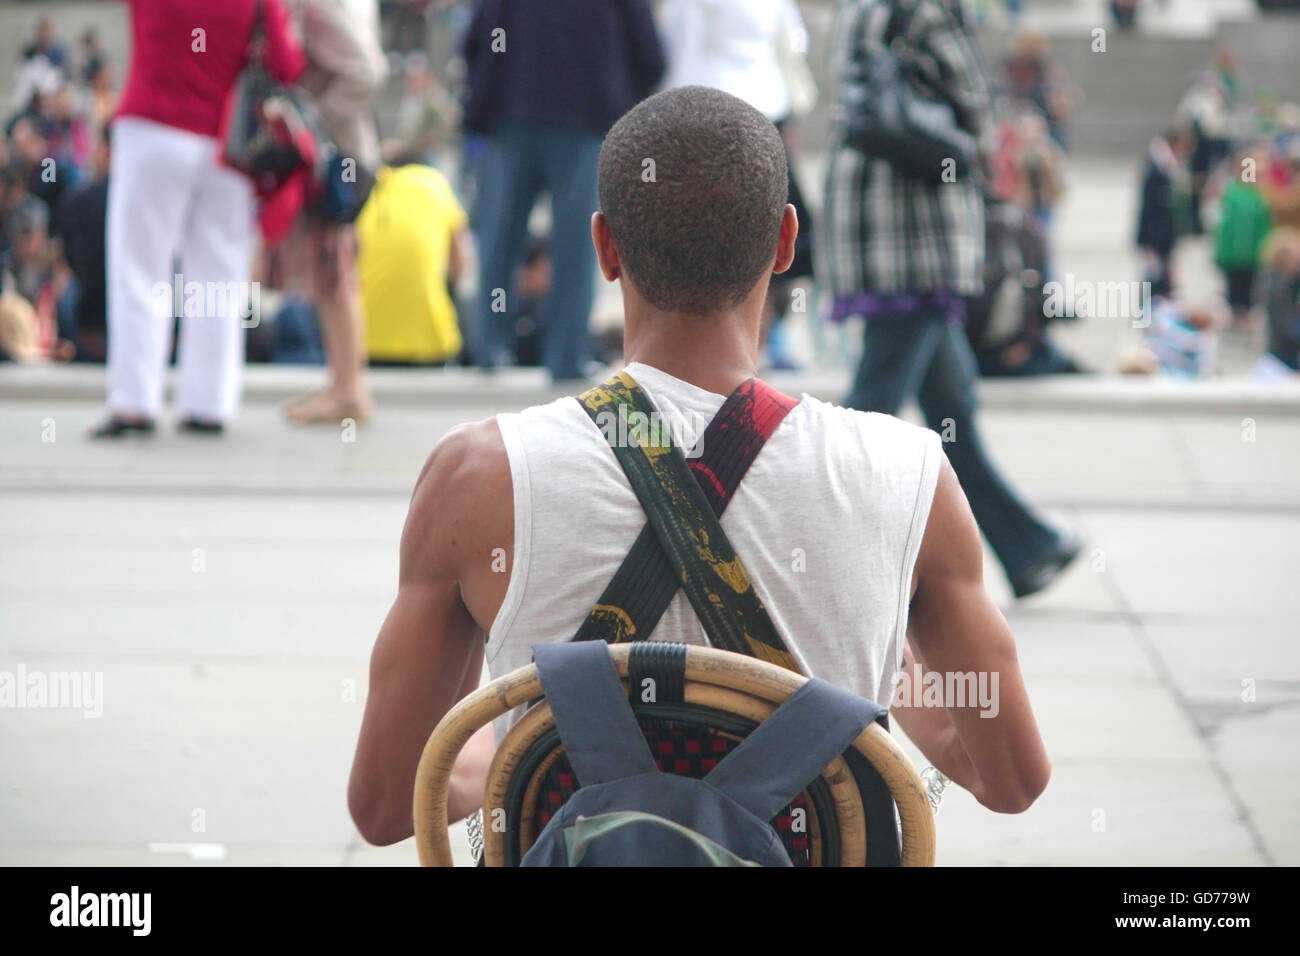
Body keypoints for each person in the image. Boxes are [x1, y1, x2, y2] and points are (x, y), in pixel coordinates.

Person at [347, 86, 1051, 845]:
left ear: (605, 248)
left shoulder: (477, 475)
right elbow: (1010, 777)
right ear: (785, 242)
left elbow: (387, 803)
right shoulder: (907, 474)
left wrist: (539, 744)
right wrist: (873, 655)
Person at [820, 0, 1079, 601]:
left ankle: (1028, 546)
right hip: (915, 232)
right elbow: (974, 108)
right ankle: (814, 553)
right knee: (873, 408)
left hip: (876, 216)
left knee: (950, 406)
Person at [92, 0, 304, 438]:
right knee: (218, 278)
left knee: (140, 269)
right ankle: (207, 404)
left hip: (152, 128)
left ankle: (134, 403)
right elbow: (287, 63)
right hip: (226, 141)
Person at [460, 0, 664, 381]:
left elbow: (479, 36)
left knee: (499, 236)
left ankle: (489, 348)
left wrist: (479, 106)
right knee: (576, 243)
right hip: (587, 116)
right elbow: (648, 51)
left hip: (513, 111)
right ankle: (566, 356)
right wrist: (623, 100)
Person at [274, 0, 388, 425]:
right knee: (333, 272)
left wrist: (314, 121)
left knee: (335, 271)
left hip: (336, 157)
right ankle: (342, 383)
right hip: (341, 153)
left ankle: (347, 391)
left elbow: (368, 71)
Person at [358, 162, 471, 367]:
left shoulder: (364, 189)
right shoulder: (436, 184)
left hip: (361, 341)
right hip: (430, 346)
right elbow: (460, 266)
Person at [1136, 126, 1193, 300]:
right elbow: (1150, 207)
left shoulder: (1168, 166)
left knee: (1163, 275)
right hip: (1155, 235)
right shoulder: (1158, 168)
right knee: (1155, 276)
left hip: (1164, 234)